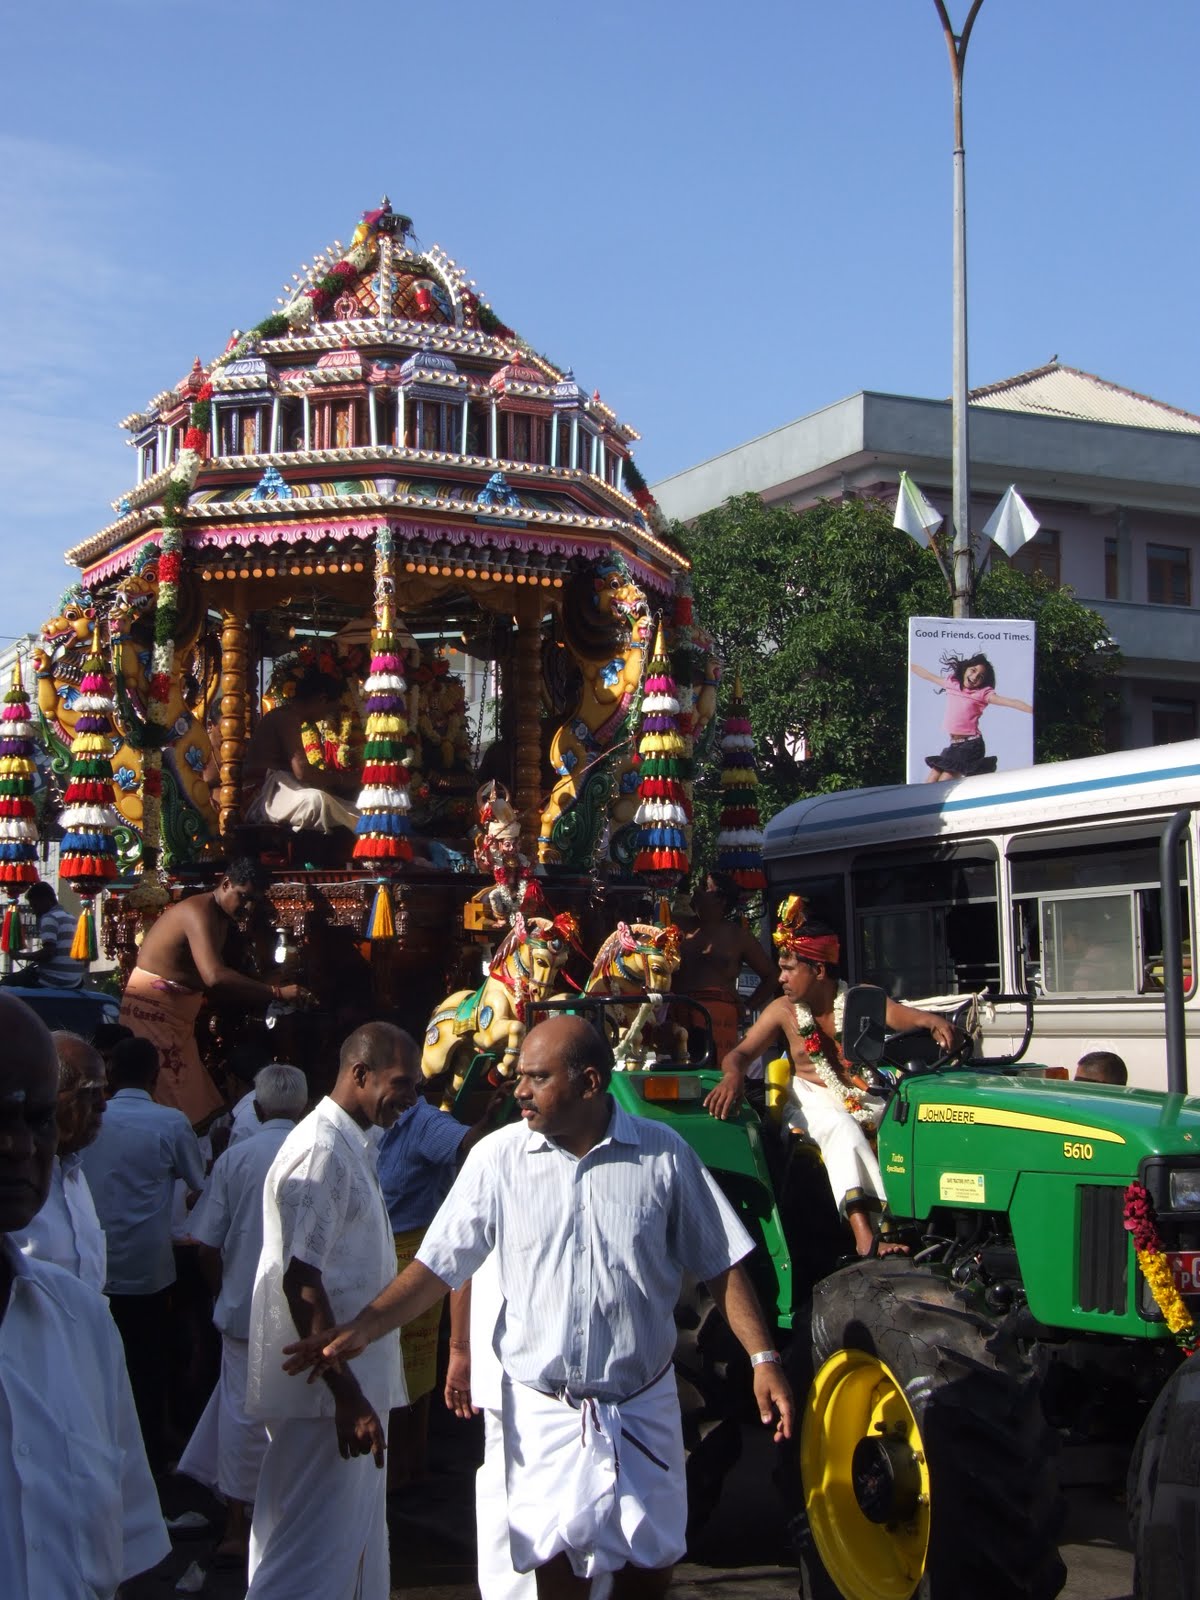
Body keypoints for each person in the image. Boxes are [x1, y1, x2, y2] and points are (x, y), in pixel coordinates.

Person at [283, 1014, 794, 1599]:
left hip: (642, 1409)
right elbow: (436, 1268)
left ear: (590, 1083)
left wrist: (763, 1359)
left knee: (647, 1575)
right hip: (543, 1416)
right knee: (555, 1577)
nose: (519, 1090)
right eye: (520, 1075)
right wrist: (364, 1328)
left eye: (536, 1077)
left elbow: (721, 1262)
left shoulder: (664, 1155)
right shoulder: (496, 1160)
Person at [0, 993, 170, 1598]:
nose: (19, 1147)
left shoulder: (83, 1327)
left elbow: (124, 1553)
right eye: (1, 1116)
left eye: (37, 1119)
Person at [244, 1023, 416, 1599]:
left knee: (347, 1543)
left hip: (347, 1390)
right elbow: (302, 1280)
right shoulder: (321, 1150)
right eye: (400, 1084)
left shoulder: (349, 1144)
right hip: (332, 1400)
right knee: (310, 1555)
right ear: (359, 1074)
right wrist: (347, 1397)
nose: (410, 1100)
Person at [705, 897, 956, 1258]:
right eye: (781, 968)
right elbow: (740, 1054)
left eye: (790, 969)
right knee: (841, 1126)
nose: (781, 978)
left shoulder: (859, 1000)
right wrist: (733, 1076)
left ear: (819, 971)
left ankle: (932, 1226)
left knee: (912, 1121)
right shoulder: (782, 1011)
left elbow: (904, 1015)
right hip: (811, 1099)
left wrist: (935, 1022)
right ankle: (865, 1237)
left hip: (863, 1093)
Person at [178, 1064, 309, 1567]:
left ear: (256, 1107)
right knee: (292, 1418)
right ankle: (283, 1521)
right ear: (302, 1106)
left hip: (243, 1314)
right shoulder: (321, 1154)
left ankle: (238, 1527)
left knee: (242, 1419)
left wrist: (223, 1292)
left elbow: (204, 1244)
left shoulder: (236, 1160)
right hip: (307, 1315)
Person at [377, 1068, 509, 1488]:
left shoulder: (424, 1121)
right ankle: (393, 1468)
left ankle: (406, 1469)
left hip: (414, 1258)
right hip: (374, 1258)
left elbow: (467, 1144)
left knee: (409, 1375)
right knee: (386, 1372)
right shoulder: (358, 1123)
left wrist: (487, 1125)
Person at [80, 1035, 206, 1474]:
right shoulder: (169, 1123)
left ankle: (104, 1451)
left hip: (94, 1265)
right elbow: (198, 1184)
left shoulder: (92, 1119)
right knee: (148, 1366)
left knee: (97, 1365)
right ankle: (148, 1460)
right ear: (156, 1076)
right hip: (147, 1269)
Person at [120, 857, 310, 1127]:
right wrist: (276, 992)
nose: (247, 907)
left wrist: (269, 980)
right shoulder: (199, 911)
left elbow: (232, 977)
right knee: (174, 1107)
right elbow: (214, 976)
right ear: (225, 883)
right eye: (243, 897)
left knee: (202, 1105)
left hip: (179, 1022)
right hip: (152, 1014)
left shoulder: (224, 919)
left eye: (253, 901)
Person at [10, 1031, 107, 1289]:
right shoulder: (13, 1181)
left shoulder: (74, 1173)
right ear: (50, 1095)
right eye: (90, 1092)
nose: (103, 1105)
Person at [243, 666, 360, 835]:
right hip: (261, 796)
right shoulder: (285, 717)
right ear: (322, 699)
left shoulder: (293, 718)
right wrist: (342, 779)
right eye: (330, 710)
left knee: (353, 808)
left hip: (283, 791)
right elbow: (302, 772)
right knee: (317, 801)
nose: (327, 716)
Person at [674, 871, 778, 1061]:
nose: (697, 890)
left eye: (705, 887)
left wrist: (748, 1008)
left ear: (721, 900)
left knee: (717, 1077)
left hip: (720, 1022)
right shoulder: (677, 926)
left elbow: (771, 976)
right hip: (678, 1016)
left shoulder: (739, 936)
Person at [911, 653, 1032, 782]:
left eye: (980, 676)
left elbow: (1011, 702)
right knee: (930, 781)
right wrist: (908, 664)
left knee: (943, 782)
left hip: (971, 746)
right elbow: (927, 675)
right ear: (965, 669)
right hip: (954, 746)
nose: (974, 677)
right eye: (973, 671)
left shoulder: (982, 694)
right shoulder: (952, 684)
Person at [9, 880, 86, 988]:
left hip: (52, 980)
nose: (34, 911)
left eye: (34, 906)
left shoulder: (49, 918)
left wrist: (21, 955)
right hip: (75, 982)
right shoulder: (71, 918)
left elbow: (48, 953)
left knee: (7, 983)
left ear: (45, 900)